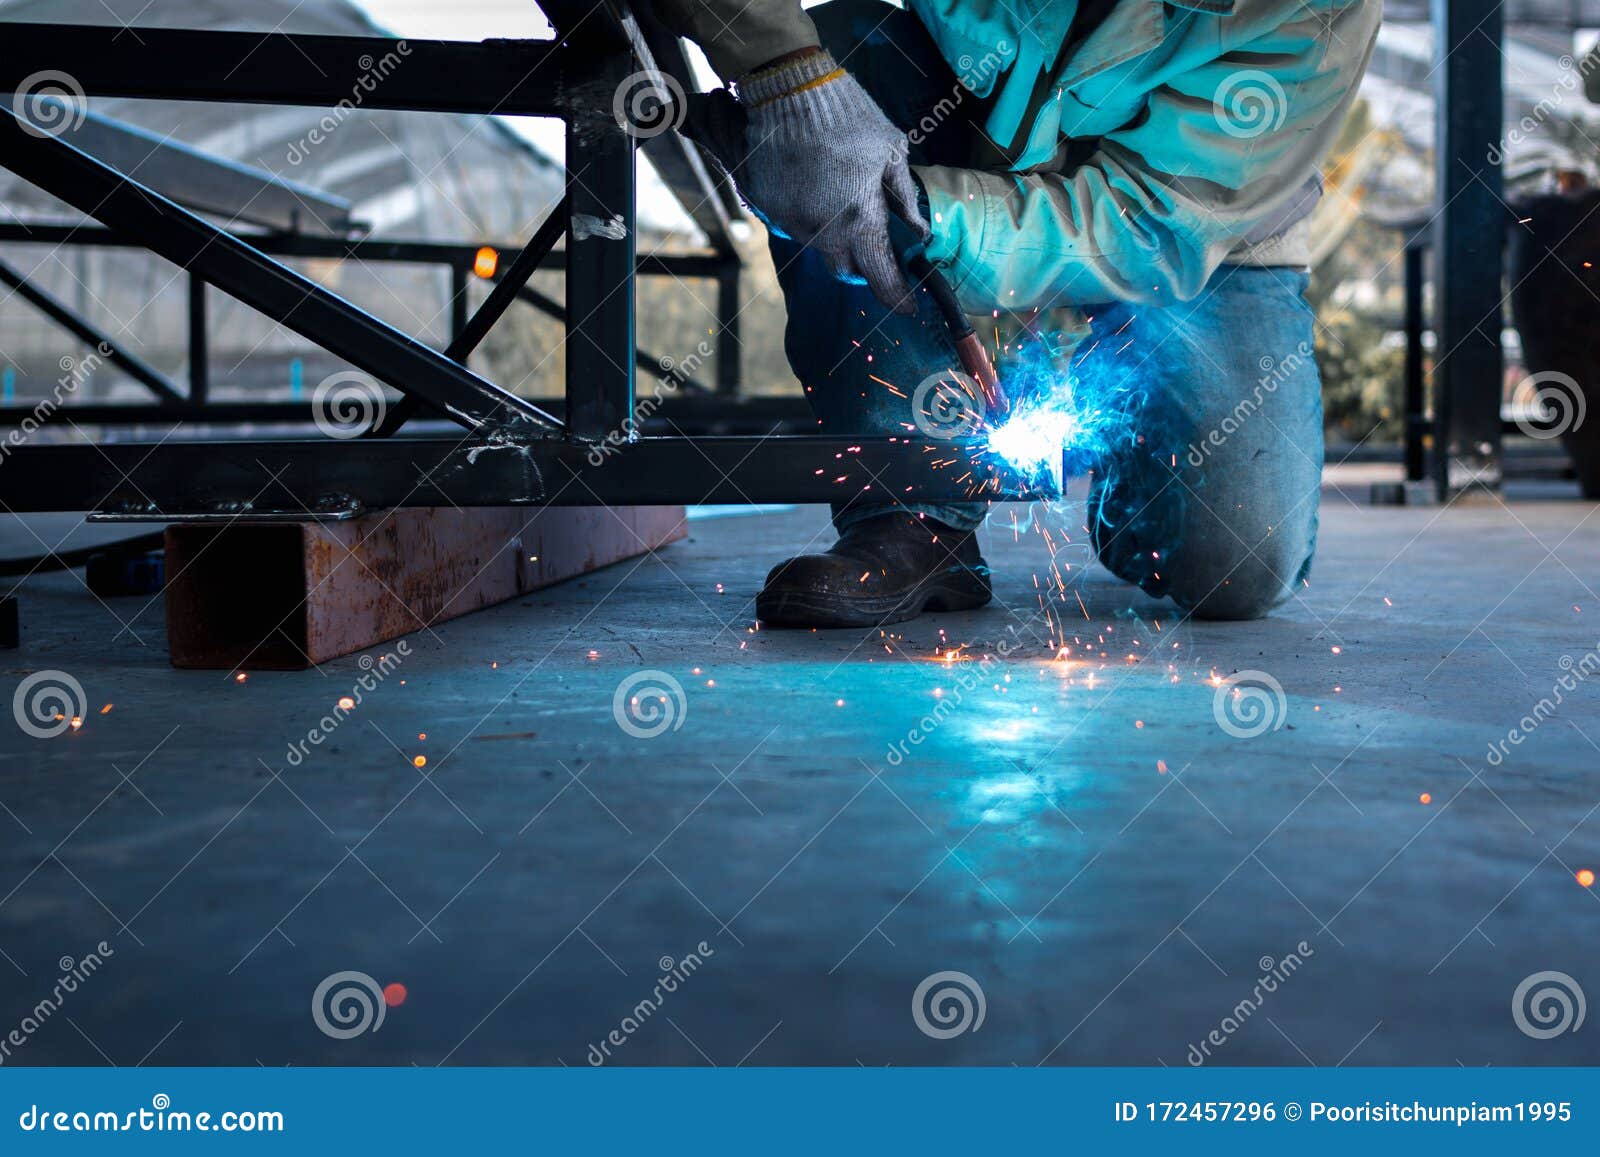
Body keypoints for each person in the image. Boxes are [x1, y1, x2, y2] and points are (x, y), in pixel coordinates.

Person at [656, 0, 1382, 627]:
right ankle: (912, 510)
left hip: (1197, 220)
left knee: (1236, 558)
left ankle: (1129, 414)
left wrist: (925, 221)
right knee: (845, 60)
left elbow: (1150, 222)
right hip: (966, 116)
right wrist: (783, 73)